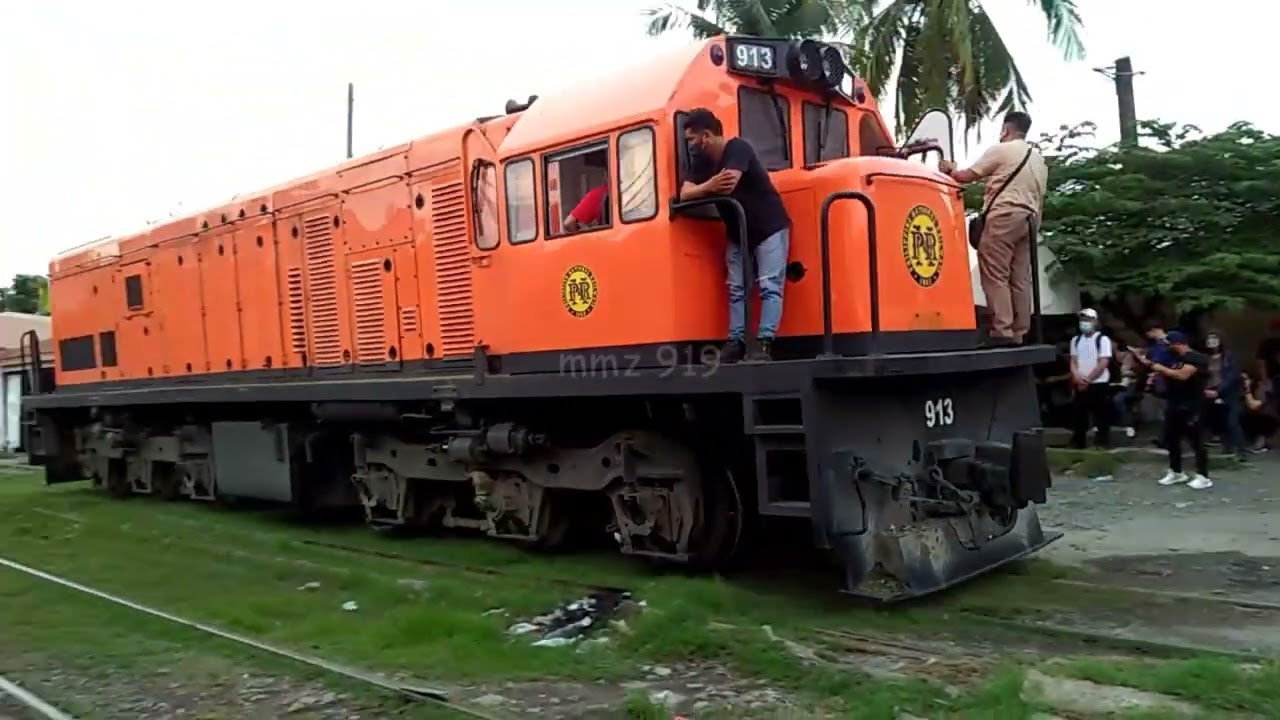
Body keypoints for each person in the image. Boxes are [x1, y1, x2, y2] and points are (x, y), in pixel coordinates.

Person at [679, 108, 792, 363]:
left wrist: (703, 188)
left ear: (706, 136)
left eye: (691, 139)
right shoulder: (702, 163)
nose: (690, 145)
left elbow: (728, 183)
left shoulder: (738, 148)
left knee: (769, 286)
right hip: (737, 232)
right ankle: (735, 342)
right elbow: (685, 193)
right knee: (736, 288)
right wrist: (709, 186)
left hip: (769, 227)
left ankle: (764, 343)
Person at [939, 111, 1047, 347]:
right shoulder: (1038, 159)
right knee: (1020, 278)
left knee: (995, 273)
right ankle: (1020, 332)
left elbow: (965, 176)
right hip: (1030, 221)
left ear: (1006, 129)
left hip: (1004, 216)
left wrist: (950, 169)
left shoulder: (1002, 149)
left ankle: (1001, 330)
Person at [1136, 331, 1212, 490]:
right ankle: (1176, 471)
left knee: (1196, 441)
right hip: (1174, 403)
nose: (1167, 348)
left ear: (1179, 343)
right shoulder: (1173, 359)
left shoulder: (1197, 358)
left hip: (1192, 405)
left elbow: (1182, 375)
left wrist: (1160, 368)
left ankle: (1203, 475)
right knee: (1172, 439)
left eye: (1169, 345)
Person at [1068, 308, 1113, 449]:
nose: (1084, 323)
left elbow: (1103, 362)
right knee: (1079, 414)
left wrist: (1088, 379)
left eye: (1087, 320)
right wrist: (1077, 376)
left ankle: (1103, 443)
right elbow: (1073, 361)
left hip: (1099, 383)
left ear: (1095, 321)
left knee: (1101, 415)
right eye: (1082, 320)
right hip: (1080, 383)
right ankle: (1078, 443)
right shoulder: (1075, 340)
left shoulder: (1102, 340)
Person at [1201, 330, 1246, 458]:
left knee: (1232, 422)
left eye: (1215, 339)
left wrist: (1218, 390)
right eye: (1209, 339)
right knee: (1219, 421)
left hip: (1228, 393)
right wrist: (1205, 390)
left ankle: (1241, 451)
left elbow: (1232, 376)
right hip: (1209, 392)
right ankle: (1227, 448)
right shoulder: (1205, 358)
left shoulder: (1228, 357)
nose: (1211, 342)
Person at [1242, 373, 1276, 453]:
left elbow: (1253, 406)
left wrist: (1247, 389)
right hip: (1259, 414)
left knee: (1256, 419)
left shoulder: (1262, 387)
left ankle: (1260, 444)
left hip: (1268, 416)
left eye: (1246, 379)